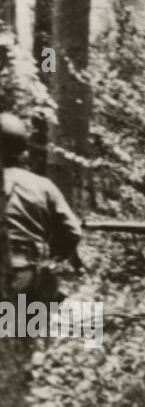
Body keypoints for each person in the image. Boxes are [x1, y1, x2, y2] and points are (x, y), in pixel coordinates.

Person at [1, 113, 81, 302]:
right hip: (28, 274)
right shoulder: (43, 186)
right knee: (33, 324)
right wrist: (51, 261)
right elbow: (73, 231)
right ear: (22, 150)